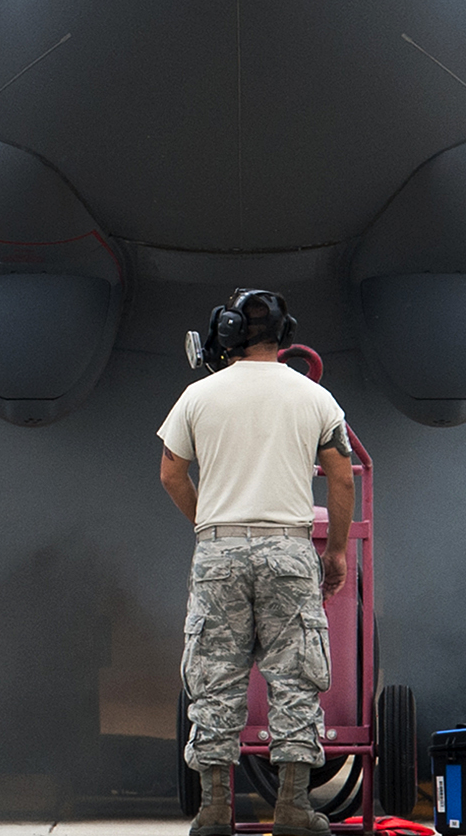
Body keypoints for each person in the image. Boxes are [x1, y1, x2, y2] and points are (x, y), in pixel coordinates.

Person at [158, 289, 356, 836]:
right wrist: (335, 551)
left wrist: (210, 524)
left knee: (214, 675)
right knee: (295, 677)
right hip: (289, 551)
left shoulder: (198, 395)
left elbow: (171, 473)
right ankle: (293, 807)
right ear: (285, 335)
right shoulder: (314, 397)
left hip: (219, 550)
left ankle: (214, 811)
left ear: (227, 334)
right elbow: (341, 477)